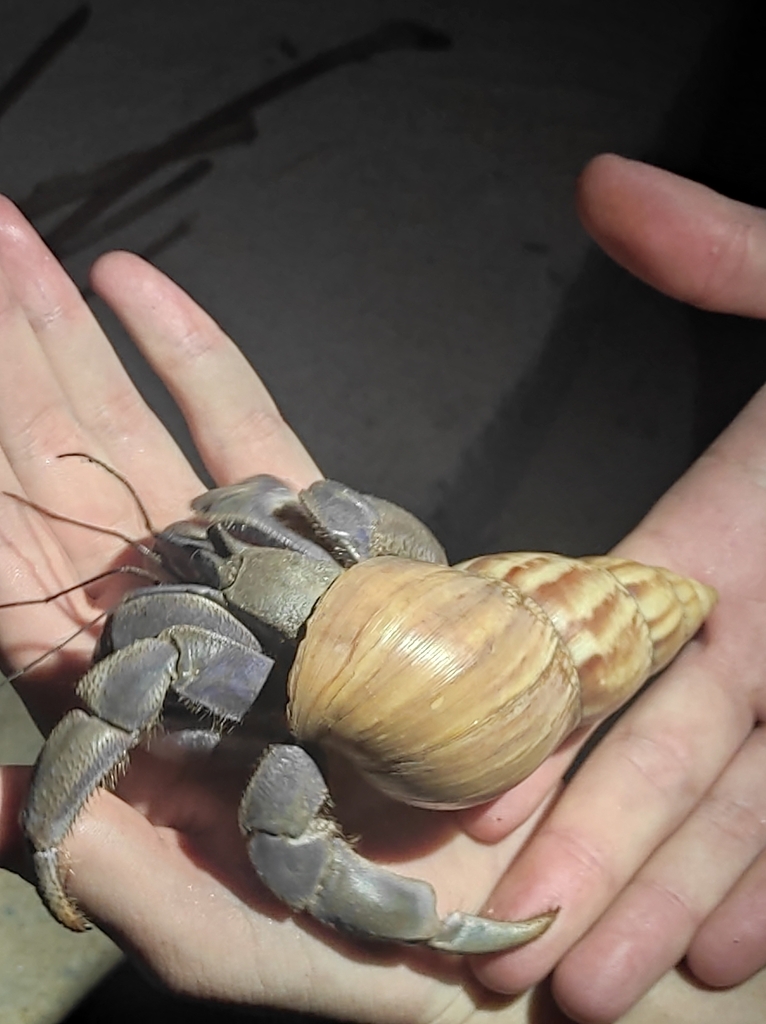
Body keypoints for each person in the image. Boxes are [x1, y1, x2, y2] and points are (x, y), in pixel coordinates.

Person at [0, 153, 765, 1024]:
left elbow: (316, 522)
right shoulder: (358, 572)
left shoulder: (288, 644)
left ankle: (431, 929)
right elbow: (325, 519)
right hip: (422, 640)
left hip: (475, 665)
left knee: (190, 671)